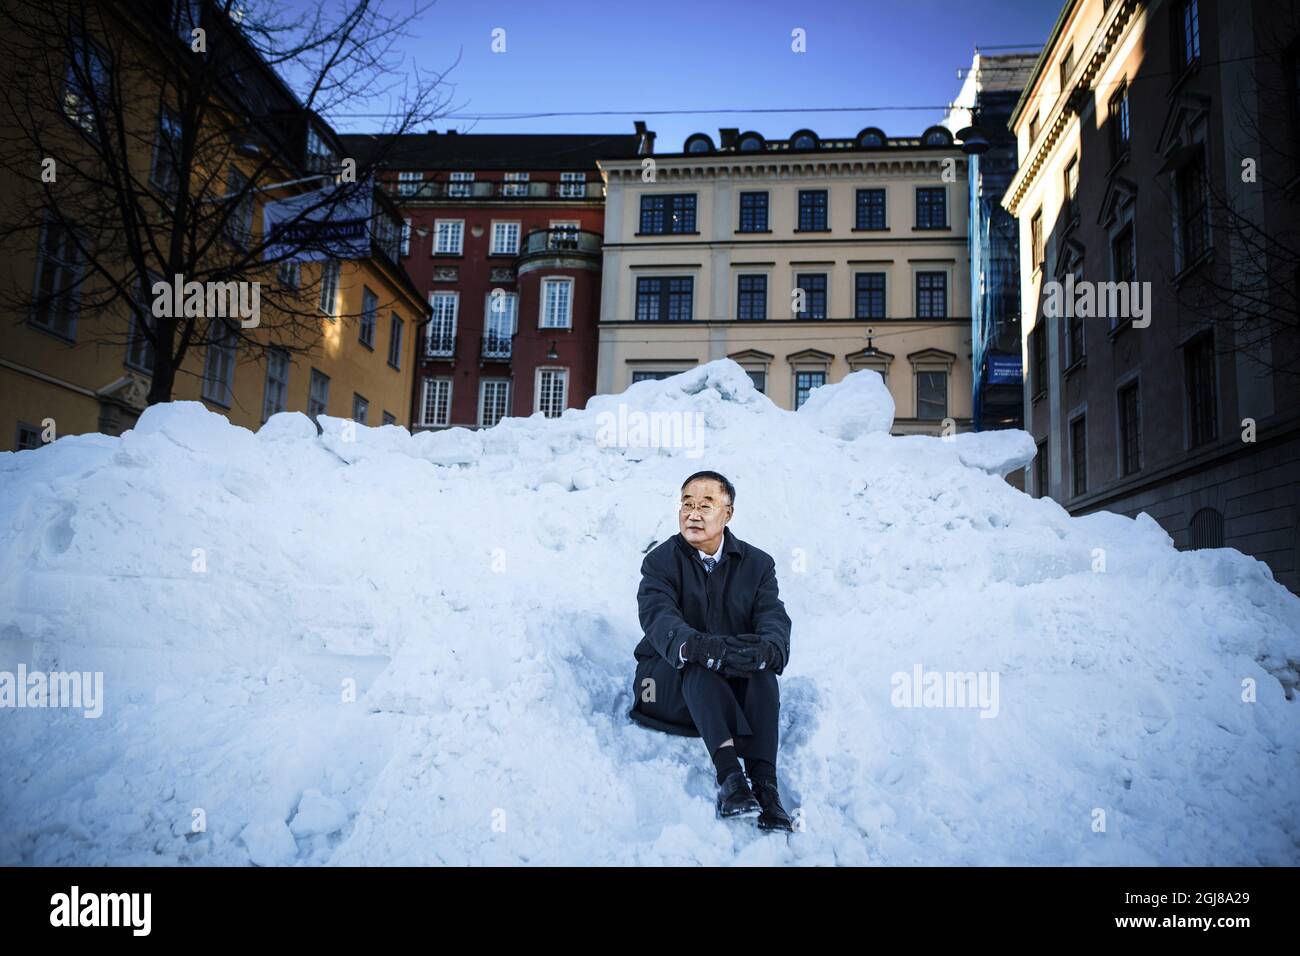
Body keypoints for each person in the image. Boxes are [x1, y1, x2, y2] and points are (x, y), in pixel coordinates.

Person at [628, 470, 794, 831]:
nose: (693, 514)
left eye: (706, 505)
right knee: (698, 658)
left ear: (728, 513)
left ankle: (767, 789)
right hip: (665, 689)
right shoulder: (660, 563)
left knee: (762, 671)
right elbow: (658, 618)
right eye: (686, 504)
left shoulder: (758, 565)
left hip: (727, 697)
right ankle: (731, 779)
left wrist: (768, 649)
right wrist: (699, 646)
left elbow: (773, 617)